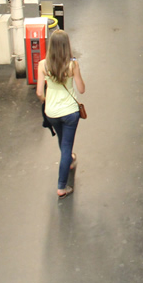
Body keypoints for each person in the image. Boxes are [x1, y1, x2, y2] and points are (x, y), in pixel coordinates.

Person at [36, 30, 86, 198]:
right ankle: (61, 186)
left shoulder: (43, 65)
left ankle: (69, 160)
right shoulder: (72, 65)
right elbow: (81, 89)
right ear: (66, 46)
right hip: (70, 112)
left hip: (51, 111)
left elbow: (38, 92)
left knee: (62, 139)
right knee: (66, 147)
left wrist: (46, 100)